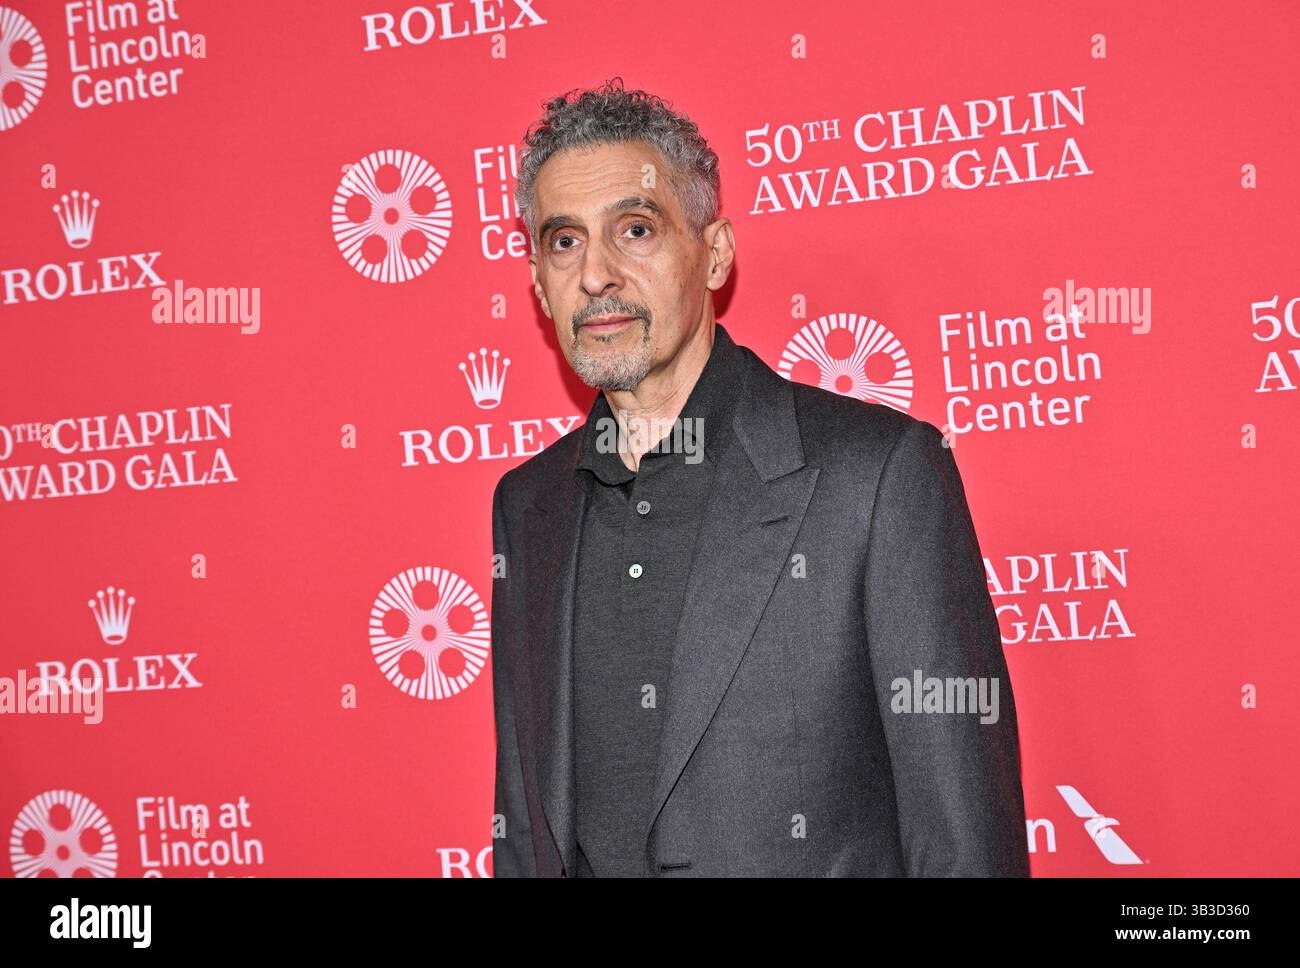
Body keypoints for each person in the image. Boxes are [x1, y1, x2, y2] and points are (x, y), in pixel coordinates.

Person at [489, 77, 1030, 877]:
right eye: (564, 242)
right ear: (538, 281)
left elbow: (963, 840)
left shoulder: (874, 475)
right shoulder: (526, 509)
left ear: (714, 254)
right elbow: (528, 836)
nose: (595, 273)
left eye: (634, 230)